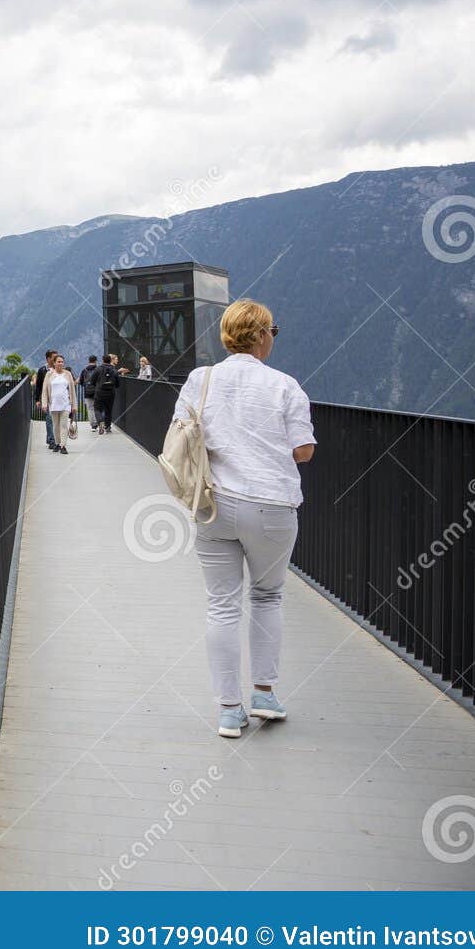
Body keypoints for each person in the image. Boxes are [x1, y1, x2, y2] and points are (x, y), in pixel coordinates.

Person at [177, 299, 315, 740]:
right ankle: (264, 693)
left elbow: (182, 431)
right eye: (273, 331)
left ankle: (228, 711)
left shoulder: (202, 379)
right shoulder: (285, 385)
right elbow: (303, 450)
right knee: (267, 597)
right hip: (272, 507)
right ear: (259, 335)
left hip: (214, 505)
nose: (273, 338)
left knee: (221, 605)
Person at [44, 354, 75, 453]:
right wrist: (44, 403)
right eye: (59, 361)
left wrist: (74, 405)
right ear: (54, 363)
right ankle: (57, 443)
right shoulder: (49, 374)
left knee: (63, 425)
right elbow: (44, 390)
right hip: (53, 403)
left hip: (65, 403)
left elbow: (72, 390)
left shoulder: (68, 374)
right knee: (55, 425)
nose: (61, 363)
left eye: (62, 361)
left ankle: (63, 445)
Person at [34, 351, 58, 449]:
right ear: (48, 359)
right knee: (49, 419)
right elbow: (38, 386)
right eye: (54, 357)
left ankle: (51, 438)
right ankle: (52, 441)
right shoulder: (42, 370)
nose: (56, 359)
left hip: (57, 399)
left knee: (56, 420)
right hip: (47, 399)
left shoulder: (59, 369)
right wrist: (37, 400)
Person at [95, 354, 122, 433]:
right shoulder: (114, 371)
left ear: (103, 360)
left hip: (100, 392)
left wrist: (97, 385)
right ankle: (108, 427)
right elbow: (118, 384)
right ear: (110, 360)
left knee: (97, 409)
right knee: (108, 410)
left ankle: (100, 422)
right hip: (111, 393)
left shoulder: (98, 369)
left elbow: (92, 380)